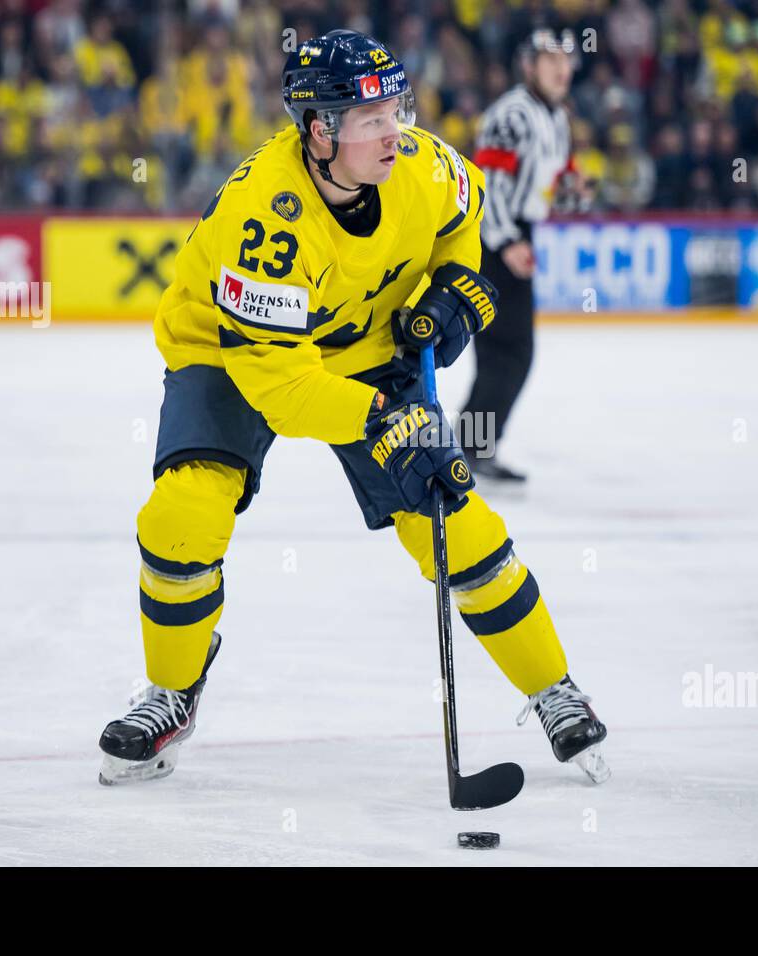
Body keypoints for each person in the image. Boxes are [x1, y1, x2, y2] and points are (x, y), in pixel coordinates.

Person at [97, 30, 609, 788]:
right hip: (233, 350)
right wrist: (384, 421)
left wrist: (454, 291)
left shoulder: (422, 162)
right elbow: (282, 386)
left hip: (364, 340)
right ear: (319, 131)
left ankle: (553, 687)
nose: (392, 131)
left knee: (452, 519)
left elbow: (461, 221)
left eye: (395, 109)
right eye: (369, 119)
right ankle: (172, 690)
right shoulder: (265, 220)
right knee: (183, 514)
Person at [461, 28, 578, 486]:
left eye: (566, 61)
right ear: (528, 66)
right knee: (506, 352)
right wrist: (507, 240)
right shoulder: (512, 114)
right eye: (550, 60)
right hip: (493, 241)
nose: (561, 69)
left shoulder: (557, 117)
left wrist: (574, 192)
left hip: (515, 235)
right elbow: (486, 183)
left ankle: (474, 446)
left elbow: (550, 185)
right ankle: (470, 447)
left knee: (508, 353)